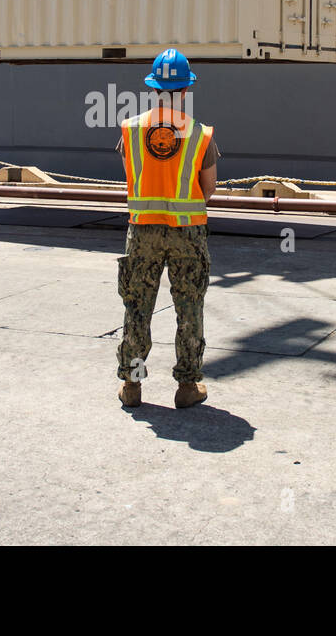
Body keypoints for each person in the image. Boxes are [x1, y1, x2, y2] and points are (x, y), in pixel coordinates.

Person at [114, 48, 220, 409]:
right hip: (187, 233)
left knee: (137, 306)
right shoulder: (199, 134)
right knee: (189, 307)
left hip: (142, 230)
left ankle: (132, 385)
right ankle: (187, 387)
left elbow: (132, 177)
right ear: (186, 91)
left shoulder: (130, 130)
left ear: (153, 89)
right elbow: (208, 189)